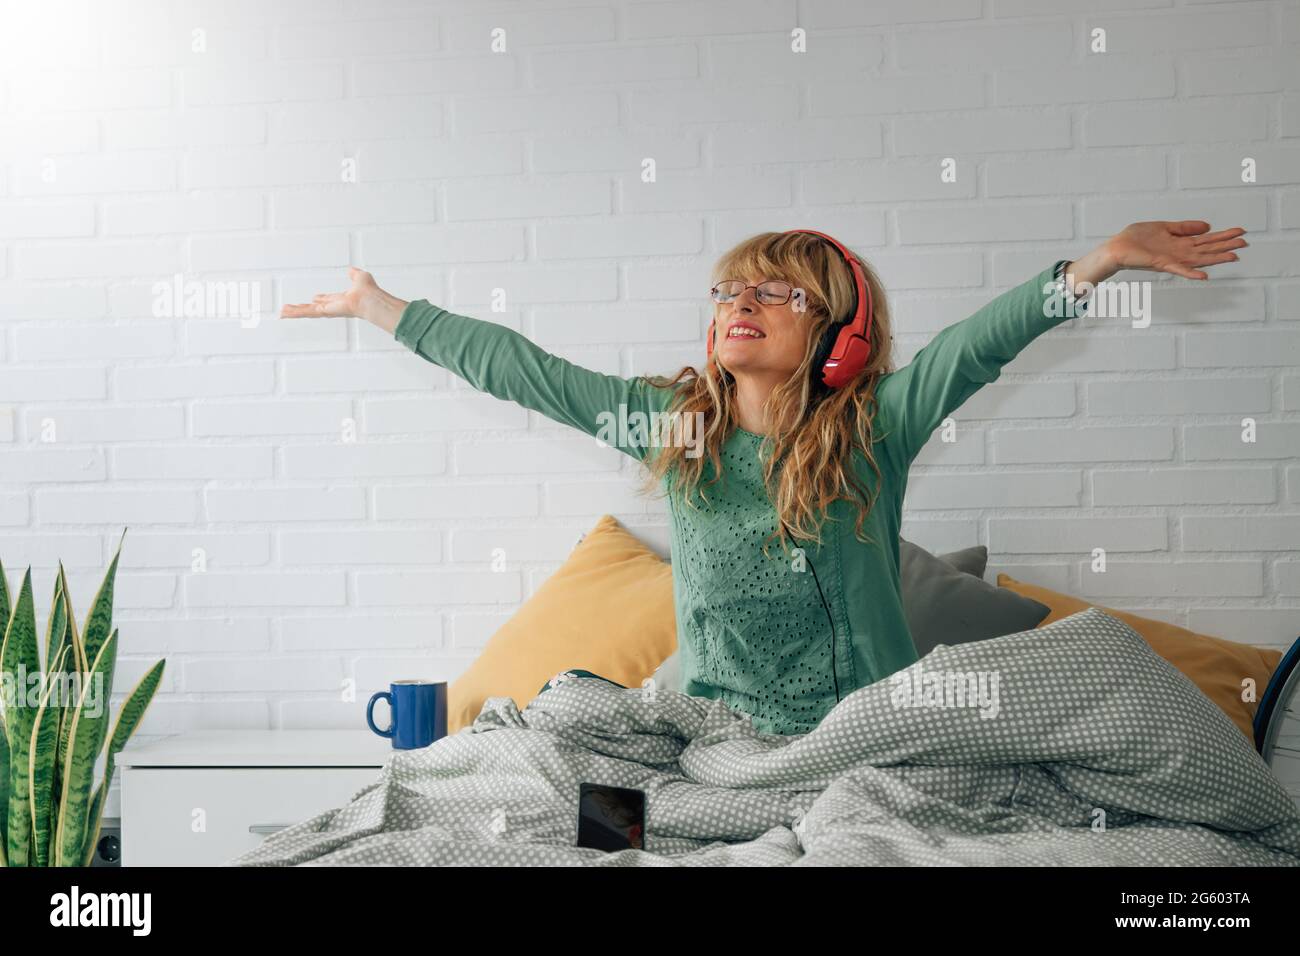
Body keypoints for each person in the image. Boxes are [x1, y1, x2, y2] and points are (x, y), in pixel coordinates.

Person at [284, 220, 1246, 736]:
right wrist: (381, 306)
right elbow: (523, 370)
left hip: (857, 736)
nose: (743, 302)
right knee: (577, 810)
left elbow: (977, 346)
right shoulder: (671, 427)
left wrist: (1100, 262)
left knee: (1094, 683)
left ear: (839, 335)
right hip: (703, 741)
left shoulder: (875, 431)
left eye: (778, 291)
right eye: (731, 290)